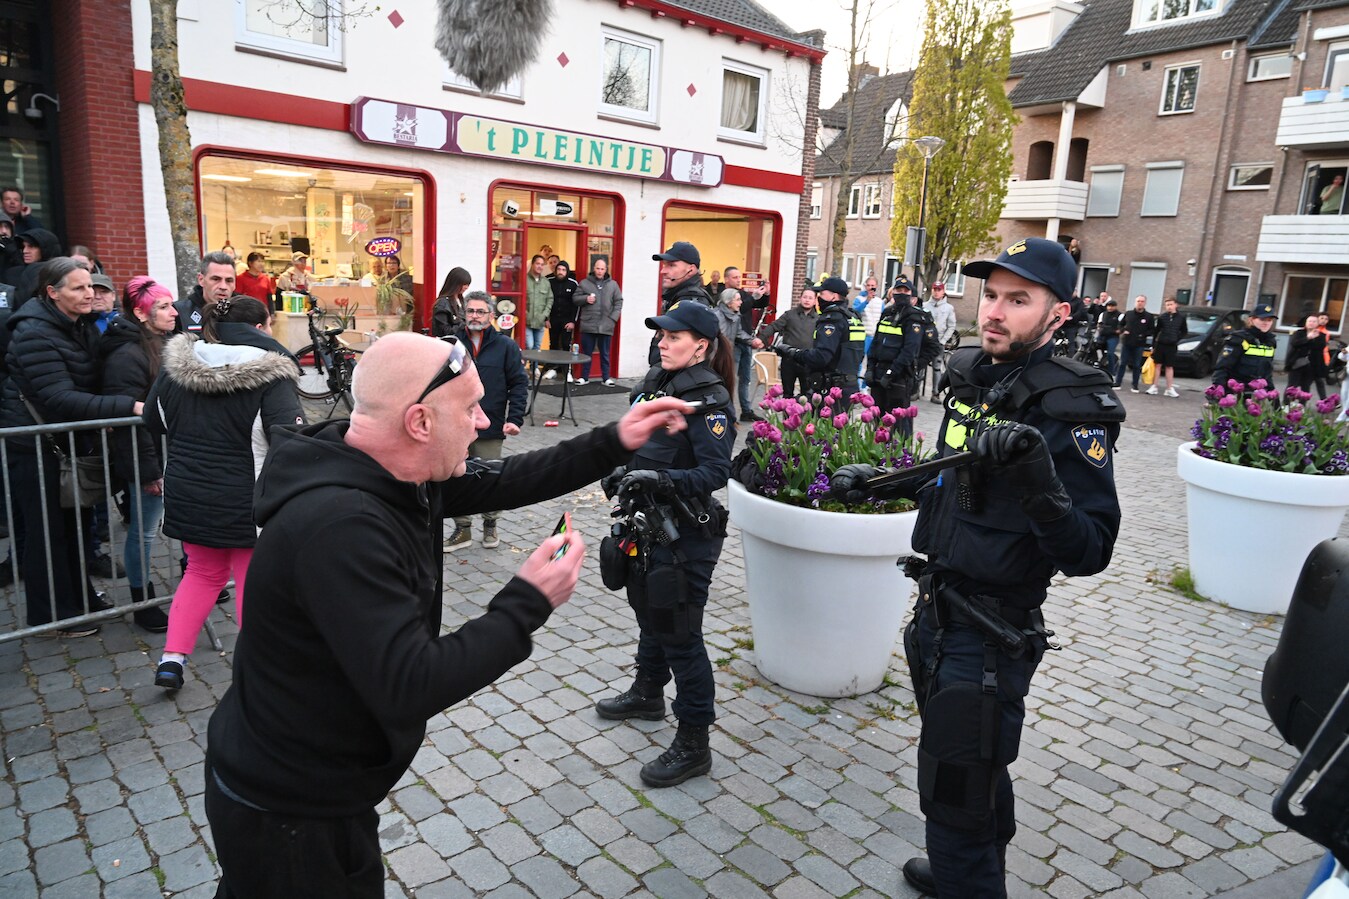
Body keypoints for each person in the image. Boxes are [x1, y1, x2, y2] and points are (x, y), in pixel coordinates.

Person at [202, 331, 688, 898]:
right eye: (471, 407)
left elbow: (509, 478)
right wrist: (528, 600)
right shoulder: (340, 527)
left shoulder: (393, 469)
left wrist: (615, 439)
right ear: (419, 422)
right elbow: (410, 683)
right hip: (288, 810)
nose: (483, 422)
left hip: (321, 791)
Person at [830, 237, 1123, 898]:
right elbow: (955, 482)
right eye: (990, 294)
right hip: (934, 614)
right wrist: (882, 483)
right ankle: (967, 867)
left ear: (1057, 314)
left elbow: (1090, 550)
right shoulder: (971, 376)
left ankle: (967, 874)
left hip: (990, 635)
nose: (993, 310)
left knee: (953, 791)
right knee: (971, 772)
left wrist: (1039, 480)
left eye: (1018, 299)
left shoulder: (1070, 407)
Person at [594, 299, 735, 788]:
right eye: (661, 335)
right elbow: (643, 444)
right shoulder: (657, 383)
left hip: (686, 535)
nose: (663, 342)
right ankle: (648, 692)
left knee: (680, 634)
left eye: (674, 337)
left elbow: (716, 472)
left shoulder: (710, 401)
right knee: (650, 613)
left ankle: (694, 743)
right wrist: (624, 471)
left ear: (701, 346)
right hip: (645, 526)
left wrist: (661, 481)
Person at [146, 296, 305, 691]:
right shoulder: (272, 374)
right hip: (247, 499)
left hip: (189, 492)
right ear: (262, 327)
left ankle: (172, 659)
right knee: (254, 581)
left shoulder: (178, 366)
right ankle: (259, 673)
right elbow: (290, 438)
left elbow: (153, 418)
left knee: (201, 572)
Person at [1, 258, 145, 637]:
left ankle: (80, 599)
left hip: (63, 443)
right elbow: (60, 396)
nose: (89, 294)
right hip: (34, 446)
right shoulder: (34, 333)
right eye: (78, 288)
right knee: (47, 532)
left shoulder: (76, 324)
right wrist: (127, 406)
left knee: (76, 529)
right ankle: (51, 616)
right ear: (52, 292)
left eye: (91, 286)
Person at [100, 277, 179, 633]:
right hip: (147, 458)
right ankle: (142, 601)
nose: (173, 312)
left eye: (171, 304)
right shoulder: (126, 355)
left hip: (169, 454)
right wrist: (148, 471)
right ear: (141, 313)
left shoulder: (161, 343)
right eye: (163, 306)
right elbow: (132, 424)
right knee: (145, 532)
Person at [444, 292, 528, 552]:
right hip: (455, 424)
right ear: (464, 314)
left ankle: (490, 524)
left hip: (490, 425)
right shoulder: (451, 344)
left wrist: (514, 418)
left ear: (491, 315)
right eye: (470, 311)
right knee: (455, 475)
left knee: (490, 477)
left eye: (480, 312)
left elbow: (518, 383)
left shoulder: (506, 346)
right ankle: (463, 528)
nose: (475, 316)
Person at [772, 276, 866, 394]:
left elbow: (821, 357)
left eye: (822, 294)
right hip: (850, 384)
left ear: (834, 296)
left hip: (833, 389)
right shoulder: (853, 318)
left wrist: (793, 353)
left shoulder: (832, 320)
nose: (819, 298)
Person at [865, 287, 924, 436]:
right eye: (898, 290)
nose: (901, 294)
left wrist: (891, 373)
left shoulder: (914, 317)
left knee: (899, 425)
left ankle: (899, 450)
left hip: (899, 377)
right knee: (878, 422)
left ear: (911, 295)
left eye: (905, 291)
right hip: (879, 373)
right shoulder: (887, 313)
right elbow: (876, 342)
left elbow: (909, 351)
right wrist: (870, 368)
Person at [650, 242, 710, 365]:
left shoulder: (691, 302)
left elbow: (687, 356)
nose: (663, 271)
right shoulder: (675, 296)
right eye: (664, 265)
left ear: (691, 269)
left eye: (671, 265)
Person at [724, 266, 770, 421]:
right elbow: (740, 309)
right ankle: (727, 410)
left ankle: (746, 410)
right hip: (733, 343)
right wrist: (753, 297)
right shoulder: (725, 296)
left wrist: (766, 293)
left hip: (746, 342)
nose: (739, 280)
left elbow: (758, 304)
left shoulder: (743, 294)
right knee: (730, 379)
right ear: (726, 279)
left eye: (739, 277)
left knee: (745, 379)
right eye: (735, 277)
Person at [575, 258, 624, 386]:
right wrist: (585, 299)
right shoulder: (584, 283)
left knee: (605, 354)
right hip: (588, 323)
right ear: (594, 268)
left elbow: (619, 302)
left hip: (606, 324)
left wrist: (613, 318)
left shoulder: (613, 285)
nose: (600, 271)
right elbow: (575, 298)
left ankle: (606, 377)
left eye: (602, 269)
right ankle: (584, 377)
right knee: (586, 353)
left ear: (606, 270)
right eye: (598, 268)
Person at [1213, 303, 1277, 388]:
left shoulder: (1270, 342)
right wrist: (1218, 388)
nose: (1266, 323)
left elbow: (1268, 373)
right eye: (1262, 319)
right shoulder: (1239, 339)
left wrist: (1271, 391)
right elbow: (1223, 367)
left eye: (1269, 320)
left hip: (1259, 393)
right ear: (1251, 320)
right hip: (1237, 390)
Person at [175, 252, 236, 335]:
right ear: (201, 280)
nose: (223, 286)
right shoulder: (179, 312)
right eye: (216, 279)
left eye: (229, 280)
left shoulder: (245, 312)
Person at [545, 260, 579, 380]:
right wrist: (546, 319)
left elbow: (576, 305)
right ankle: (553, 369)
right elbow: (544, 301)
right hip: (553, 319)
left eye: (563, 270)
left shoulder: (573, 284)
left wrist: (573, 321)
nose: (561, 272)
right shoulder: (549, 281)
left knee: (566, 345)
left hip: (567, 320)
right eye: (559, 269)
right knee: (553, 344)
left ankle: (566, 371)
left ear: (567, 271)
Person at [9, 228, 61, 304]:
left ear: (44, 248)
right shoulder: (12, 273)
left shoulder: (60, 272)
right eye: (23, 247)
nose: (25, 251)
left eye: (31, 246)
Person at [927, 280, 959, 399]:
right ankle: (915, 391)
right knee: (919, 366)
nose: (936, 292)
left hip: (939, 342)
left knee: (937, 367)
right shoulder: (925, 305)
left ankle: (936, 393)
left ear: (943, 292)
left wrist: (944, 340)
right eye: (935, 289)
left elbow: (951, 326)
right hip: (926, 342)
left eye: (939, 290)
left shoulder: (948, 308)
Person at [1148, 297, 1186, 397]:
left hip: (1172, 345)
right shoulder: (1162, 317)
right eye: (1167, 305)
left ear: (1175, 305)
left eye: (1171, 304)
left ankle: (1169, 388)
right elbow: (1156, 331)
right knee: (1157, 365)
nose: (1169, 307)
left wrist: (1177, 338)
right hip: (1161, 344)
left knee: (1169, 366)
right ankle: (1154, 386)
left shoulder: (1181, 317)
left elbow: (1184, 331)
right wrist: (1153, 345)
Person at [1116, 295, 1154, 393]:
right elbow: (1120, 324)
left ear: (1145, 303)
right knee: (1122, 363)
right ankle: (1117, 383)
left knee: (1137, 365)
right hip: (1127, 342)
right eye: (1138, 301)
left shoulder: (1149, 316)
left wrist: (1143, 334)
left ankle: (1135, 385)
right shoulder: (1128, 314)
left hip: (1139, 343)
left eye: (1142, 301)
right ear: (1135, 302)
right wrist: (1123, 330)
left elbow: (1152, 330)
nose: (1140, 303)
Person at [1286, 314, 1328, 398]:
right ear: (1306, 323)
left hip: (1312, 364)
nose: (1311, 323)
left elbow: (1320, 347)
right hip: (1297, 363)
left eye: (1314, 321)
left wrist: (1313, 339)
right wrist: (1308, 338)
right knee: (1292, 386)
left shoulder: (1321, 335)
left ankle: (1302, 404)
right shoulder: (1299, 333)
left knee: (1306, 386)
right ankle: (1286, 403)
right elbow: (1294, 343)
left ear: (1317, 323)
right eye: (1309, 321)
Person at [522, 254, 552, 368]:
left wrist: (545, 314)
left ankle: (534, 369)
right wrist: (524, 313)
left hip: (540, 321)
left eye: (542, 264)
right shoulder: (524, 280)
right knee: (529, 345)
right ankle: (522, 369)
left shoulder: (545, 282)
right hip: (527, 321)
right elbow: (519, 299)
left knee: (537, 347)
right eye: (537, 264)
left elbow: (550, 299)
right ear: (532, 264)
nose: (540, 266)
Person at [432, 266, 472, 338]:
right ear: (455, 283)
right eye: (464, 284)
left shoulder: (462, 301)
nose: (466, 287)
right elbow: (444, 331)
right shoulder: (442, 304)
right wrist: (463, 326)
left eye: (468, 284)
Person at [1096, 298, 1122, 379]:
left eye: (1112, 306)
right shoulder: (1103, 314)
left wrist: (1118, 331)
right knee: (1095, 348)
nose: (1110, 307)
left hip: (1113, 337)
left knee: (1110, 353)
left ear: (1115, 306)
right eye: (1109, 306)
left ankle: (1112, 373)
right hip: (1102, 335)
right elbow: (1099, 324)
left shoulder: (1120, 315)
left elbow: (1122, 326)